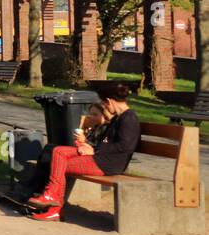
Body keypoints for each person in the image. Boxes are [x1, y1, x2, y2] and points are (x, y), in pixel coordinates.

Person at [27, 85, 139, 221]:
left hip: (108, 163)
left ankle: (53, 203)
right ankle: (51, 196)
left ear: (109, 101)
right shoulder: (119, 117)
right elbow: (105, 142)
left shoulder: (129, 118)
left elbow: (124, 146)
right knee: (58, 151)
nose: (104, 106)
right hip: (100, 157)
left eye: (104, 103)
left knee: (59, 164)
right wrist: (88, 144)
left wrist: (95, 150)